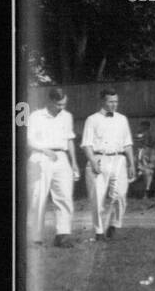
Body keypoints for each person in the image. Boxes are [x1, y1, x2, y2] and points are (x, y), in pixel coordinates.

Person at [25, 88, 79, 248]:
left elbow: (70, 140)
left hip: (61, 157)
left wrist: (74, 161)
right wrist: (44, 150)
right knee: (38, 198)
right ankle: (36, 237)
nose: (61, 107)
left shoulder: (67, 116)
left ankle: (62, 235)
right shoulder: (35, 116)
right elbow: (28, 139)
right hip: (40, 157)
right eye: (58, 104)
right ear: (50, 101)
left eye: (64, 104)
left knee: (64, 196)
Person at [79, 89, 135, 242]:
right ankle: (99, 232)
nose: (114, 105)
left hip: (119, 159)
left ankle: (114, 225)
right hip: (99, 158)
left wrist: (132, 164)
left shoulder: (122, 119)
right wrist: (92, 161)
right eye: (110, 101)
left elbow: (128, 143)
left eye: (116, 101)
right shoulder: (92, 119)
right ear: (102, 101)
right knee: (97, 197)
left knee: (120, 195)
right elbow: (86, 145)